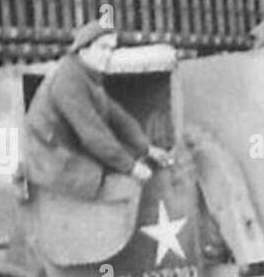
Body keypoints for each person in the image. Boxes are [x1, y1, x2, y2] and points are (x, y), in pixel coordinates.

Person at [23, 20, 175, 200]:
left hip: (66, 152)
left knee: (129, 160)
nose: (108, 55)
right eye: (102, 48)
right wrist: (131, 167)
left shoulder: (86, 73)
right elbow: (93, 135)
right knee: (124, 186)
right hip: (53, 163)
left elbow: (117, 116)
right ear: (84, 50)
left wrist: (147, 148)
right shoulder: (68, 80)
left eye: (112, 49)